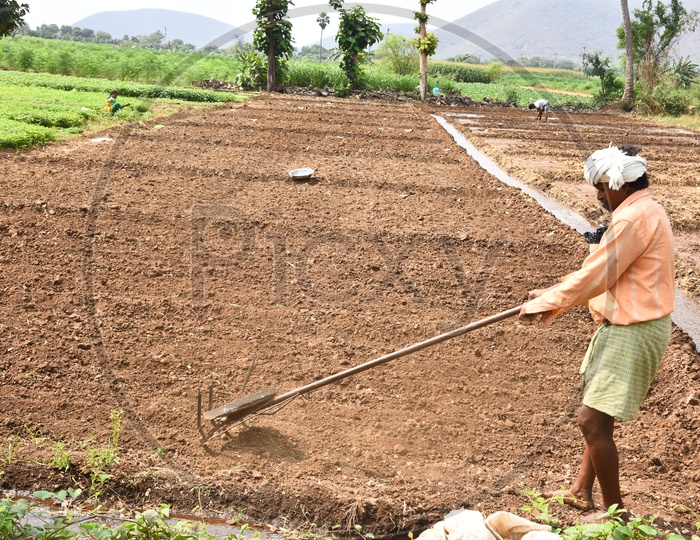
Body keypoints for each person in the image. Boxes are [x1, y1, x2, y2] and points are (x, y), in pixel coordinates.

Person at [519, 144, 675, 522]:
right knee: (599, 417)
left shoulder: (633, 220)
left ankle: (617, 513)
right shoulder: (642, 211)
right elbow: (603, 272)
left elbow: (597, 275)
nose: (600, 196)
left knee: (590, 419)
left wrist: (548, 301)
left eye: (602, 188)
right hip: (627, 324)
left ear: (621, 183)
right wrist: (551, 293)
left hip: (634, 329)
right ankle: (580, 490)